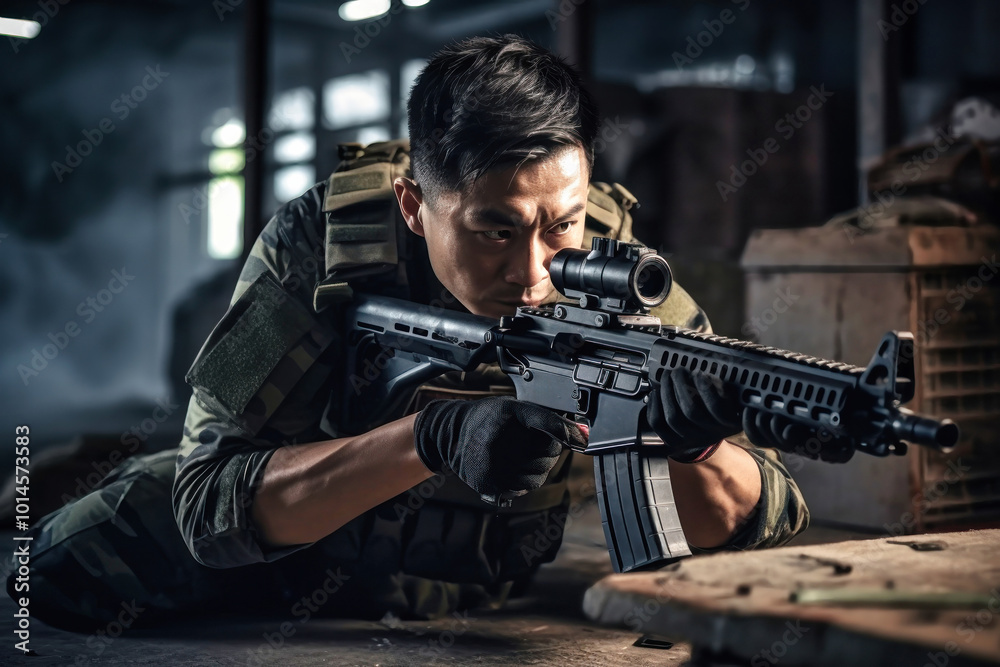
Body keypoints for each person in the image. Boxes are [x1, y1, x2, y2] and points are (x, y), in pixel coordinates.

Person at [11, 34, 808, 632]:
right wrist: (434, 435)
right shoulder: (318, 247)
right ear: (412, 206)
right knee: (41, 572)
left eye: (559, 225)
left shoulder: (619, 278)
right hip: (280, 560)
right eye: (494, 231)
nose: (533, 270)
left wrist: (690, 443)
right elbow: (208, 502)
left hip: (462, 588)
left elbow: (763, 523)